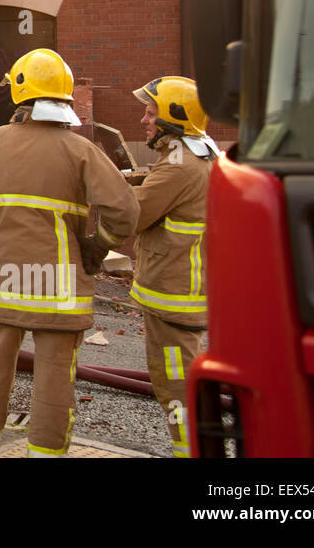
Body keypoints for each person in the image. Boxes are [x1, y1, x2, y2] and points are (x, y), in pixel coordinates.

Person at [0, 48, 139, 457]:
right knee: (56, 376)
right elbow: (125, 211)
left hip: (7, 280)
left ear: (19, 94)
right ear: (66, 99)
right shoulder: (82, 151)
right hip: (61, 286)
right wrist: (98, 245)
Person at [115, 77, 217, 458]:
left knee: (176, 384)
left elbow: (134, 215)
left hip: (173, 294)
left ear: (173, 118)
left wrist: (104, 186)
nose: (143, 119)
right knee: (185, 379)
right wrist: (138, 178)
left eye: (150, 111)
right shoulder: (198, 154)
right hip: (187, 290)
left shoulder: (177, 166)